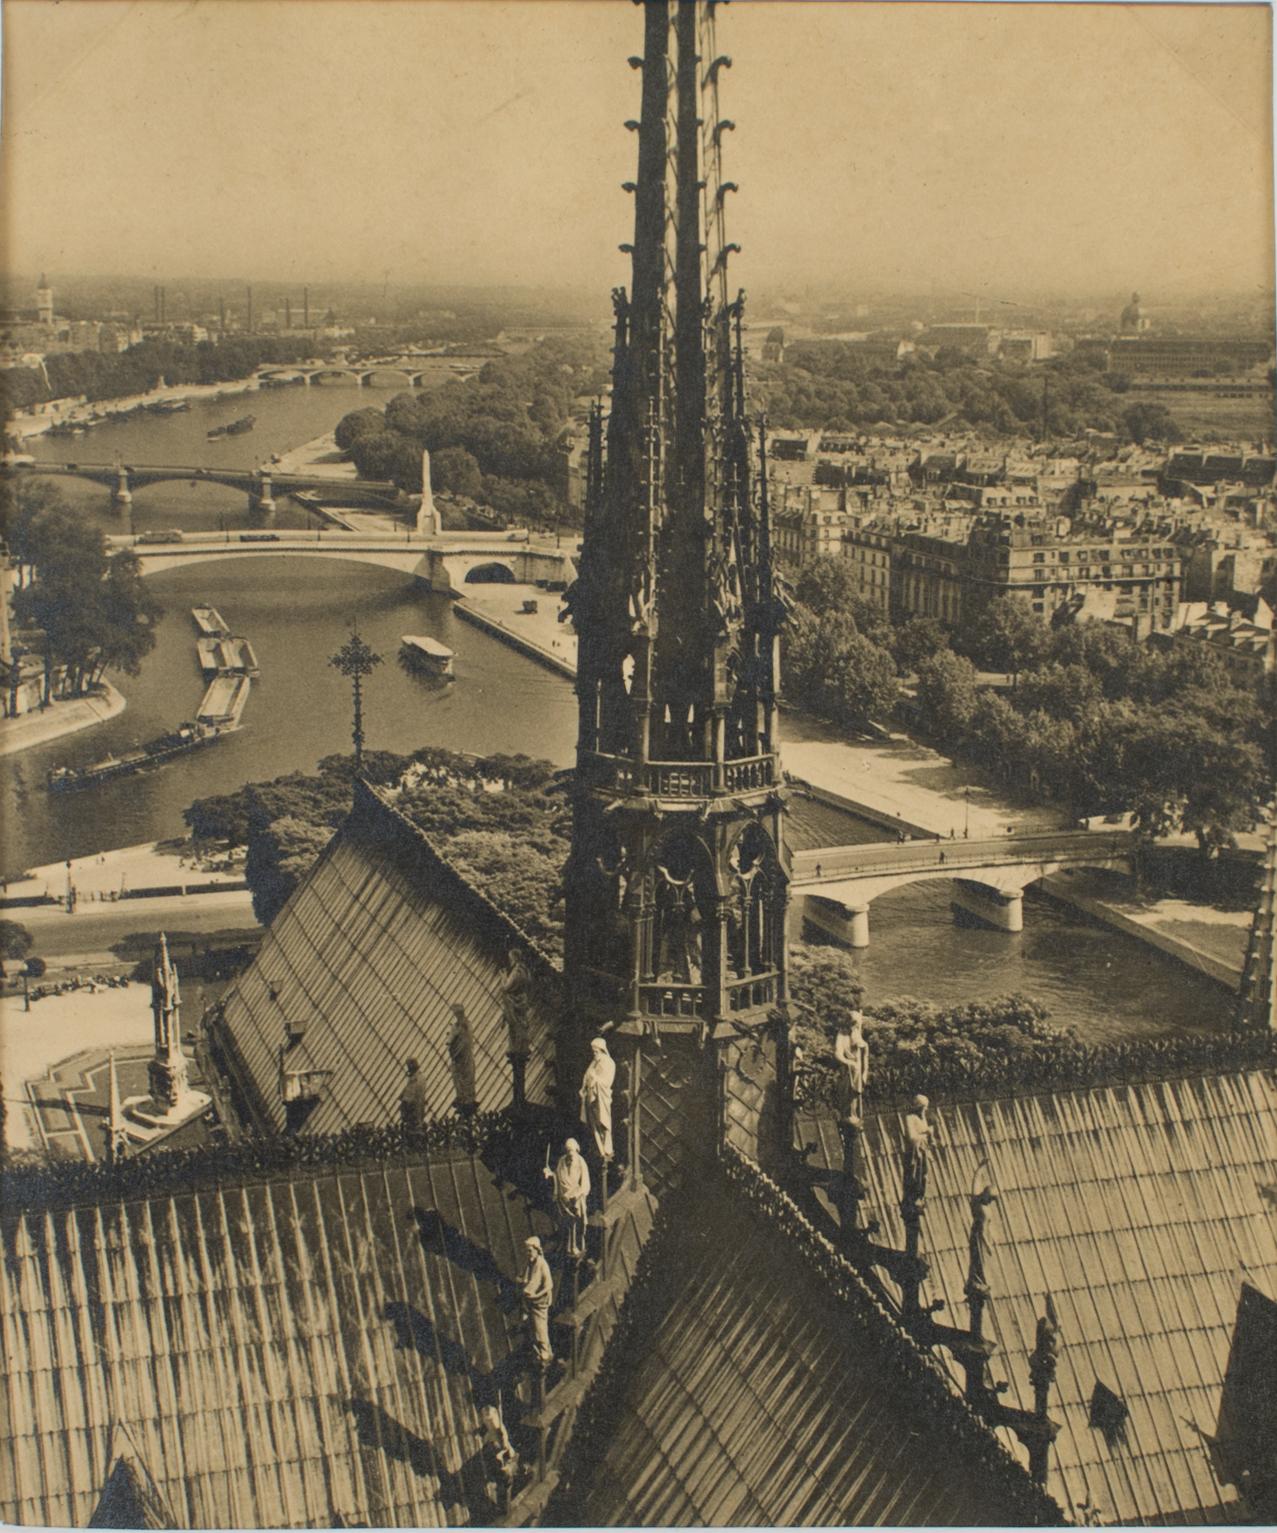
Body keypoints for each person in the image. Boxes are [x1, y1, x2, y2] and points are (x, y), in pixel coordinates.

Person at [544, 1137, 591, 1259]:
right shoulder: (562, 1161)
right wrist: (550, 1174)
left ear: (576, 1150)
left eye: (572, 1152)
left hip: (575, 1199)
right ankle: (567, 1247)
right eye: (568, 1152)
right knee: (566, 1223)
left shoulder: (581, 1162)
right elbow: (558, 1176)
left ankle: (576, 1247)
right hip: (564, 1199)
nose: (570, 1156)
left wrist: (577, 1195)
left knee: (576, 1224)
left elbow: (585, 1184)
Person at [519, 1235, 554, 1370]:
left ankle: (545, 1352)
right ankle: (539, 1348)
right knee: (534, 1327)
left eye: (529, 1251)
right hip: (531, 1302)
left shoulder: (542, 1264)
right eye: (527, 1251)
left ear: (536, 1249)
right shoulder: (531, 1262)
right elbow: (526, 1276)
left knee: (540, 1327)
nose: (528, 1253)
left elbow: (549, 1285)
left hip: (539, 1302)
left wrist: (535, 1296)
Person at [580, 1036, 616, 1162]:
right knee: (593, 1124)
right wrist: (583, 1088)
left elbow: (607, 1082)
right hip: (591, 1097)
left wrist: (595, 1079)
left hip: (601, 1098)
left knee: (603, 1123)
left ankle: (606, 1148)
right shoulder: (595, 1062)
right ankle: (598, 1148)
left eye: (596, 1052)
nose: (594, 1054)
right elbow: (587, 1075)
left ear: (602, 1050)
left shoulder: (609, 1063)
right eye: (593, 1052)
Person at [833, 1011, 870, 1116]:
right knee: (847, 1095)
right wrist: (849, 1062)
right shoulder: (841, 1034)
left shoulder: (857, 1033)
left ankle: (854, 1115)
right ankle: (848, 1116)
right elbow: (838, 1053)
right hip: (847, 1069)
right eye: (851, 1024)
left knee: (855, 1095)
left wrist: (862, 1045)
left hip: (858, 1069)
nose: (853, 1026)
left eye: (855, 1024)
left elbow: (864, 1053)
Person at [447, 1003, 477, 1115]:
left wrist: (454, 1050)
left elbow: (465, 1043)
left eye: (456, 1013)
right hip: (461, 1060)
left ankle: (465, 1099)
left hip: (464, 1059)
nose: (456, 1016)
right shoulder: (459, 1026)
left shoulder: (465, 1026)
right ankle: (463, 1098)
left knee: (465, 1079)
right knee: (461, 1080)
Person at [902, 1093, 930, 1209]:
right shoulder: (910, 1118)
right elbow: (910, 1137)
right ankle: (912, 1199)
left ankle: (920, 1197)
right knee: (914, 1176)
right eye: (923, 1107)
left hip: (923, 1151)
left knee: (924, 1175)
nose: (925, 1110)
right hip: (914, 1153)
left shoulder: (922, 1118)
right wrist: (925, 1134)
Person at [399, 1058, 428, 1132]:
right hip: (418, 1109)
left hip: (413, 1110)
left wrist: (404, 1103)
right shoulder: (421, 1077)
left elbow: (408, 1097)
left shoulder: (415, 1079)